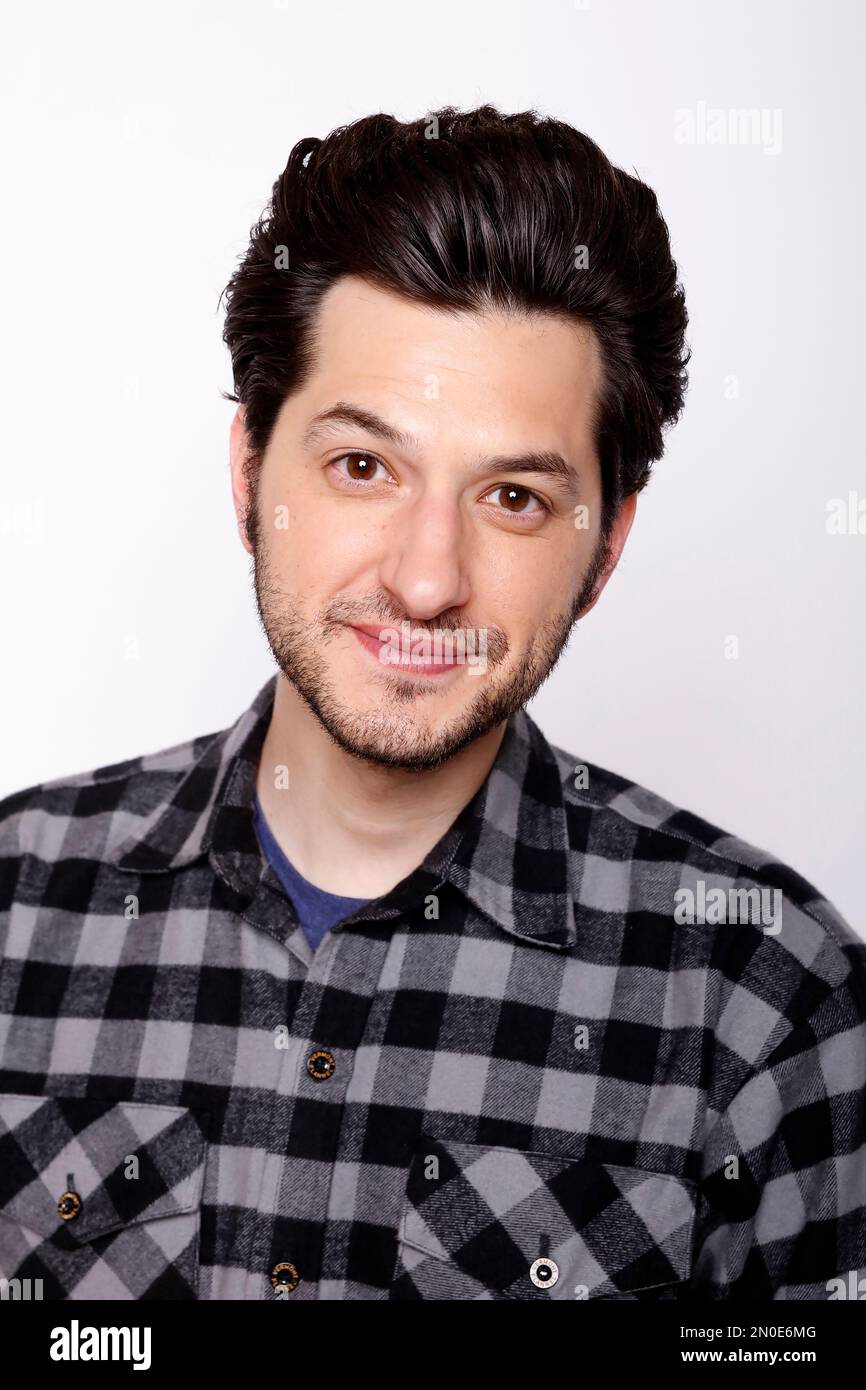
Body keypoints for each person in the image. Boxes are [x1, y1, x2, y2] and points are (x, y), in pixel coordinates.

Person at [0, 105, 863, 1302]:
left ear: (603, 542)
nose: (423, 575)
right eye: (363, 466)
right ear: (251, 471)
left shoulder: (770, 995)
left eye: (511, 496)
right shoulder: (13, 904)